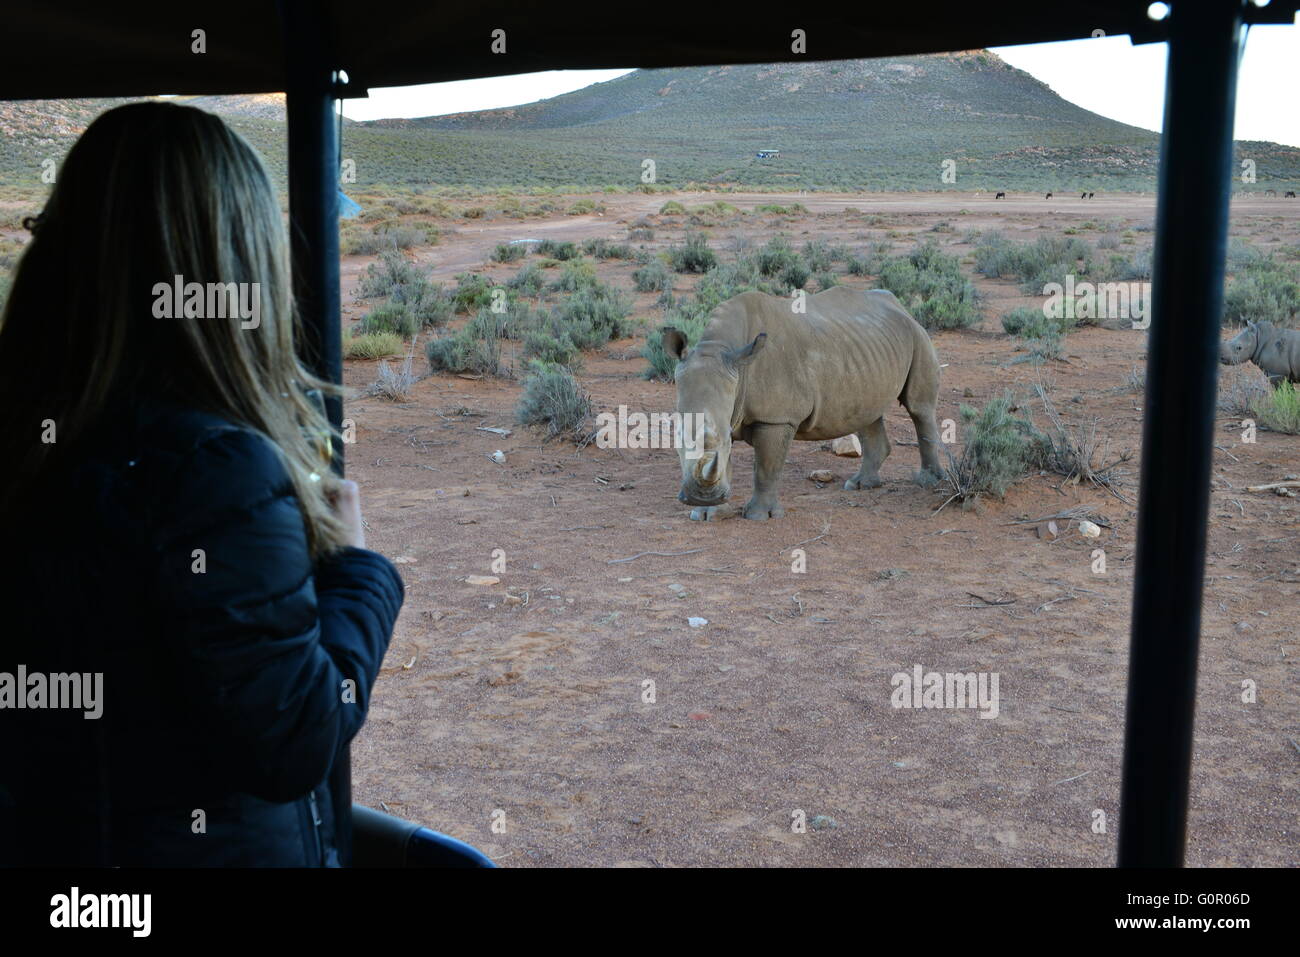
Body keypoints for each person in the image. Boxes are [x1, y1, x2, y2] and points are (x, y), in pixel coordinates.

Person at [0, 102, 403, 866]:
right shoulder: (213, 472)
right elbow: (294, 739)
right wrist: (362, 573)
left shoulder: (31, 444)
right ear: (232, 268)